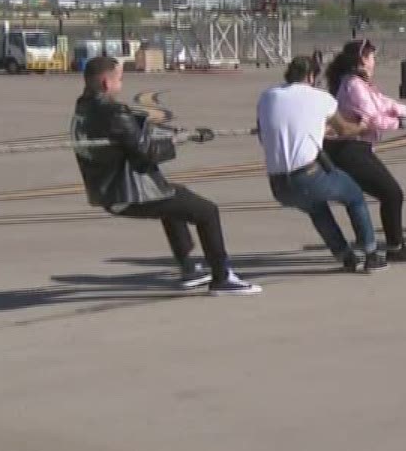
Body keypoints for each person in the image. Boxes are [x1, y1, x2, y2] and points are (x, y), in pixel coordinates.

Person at [71, 55, 259, 294]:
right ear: (107, 83)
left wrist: (163, 132)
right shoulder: (113, 111)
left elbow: (128, 135)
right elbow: (146, 152)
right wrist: (181, 139)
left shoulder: (84, 107)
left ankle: (190, 269)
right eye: (120, 78)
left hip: (107, 192)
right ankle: (222, 277)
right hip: (129, 194)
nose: (121, 83)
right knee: (207, 211)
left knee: (172, 200)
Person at [257, 56, 386, 272]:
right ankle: (371, 253)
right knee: (354, 196)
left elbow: (266, 135)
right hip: (309, 175)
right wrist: (364, 126)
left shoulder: (267, 96)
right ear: (310, 76)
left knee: (316, 208)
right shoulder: (322, 98)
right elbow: (344, 130)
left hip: (278, 185)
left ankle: (346, 257)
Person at [324, 39, 406, 262]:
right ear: (361, 61)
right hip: (348, 149)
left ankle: (378, 245)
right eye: (372, 57)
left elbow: (388, 104)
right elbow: (374, 119)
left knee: (376, 196)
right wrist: (400, 124)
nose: (375, 62)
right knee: (391, 193)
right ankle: (393, 248)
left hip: (355, 149)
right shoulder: (353, 85)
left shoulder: (360, 84)